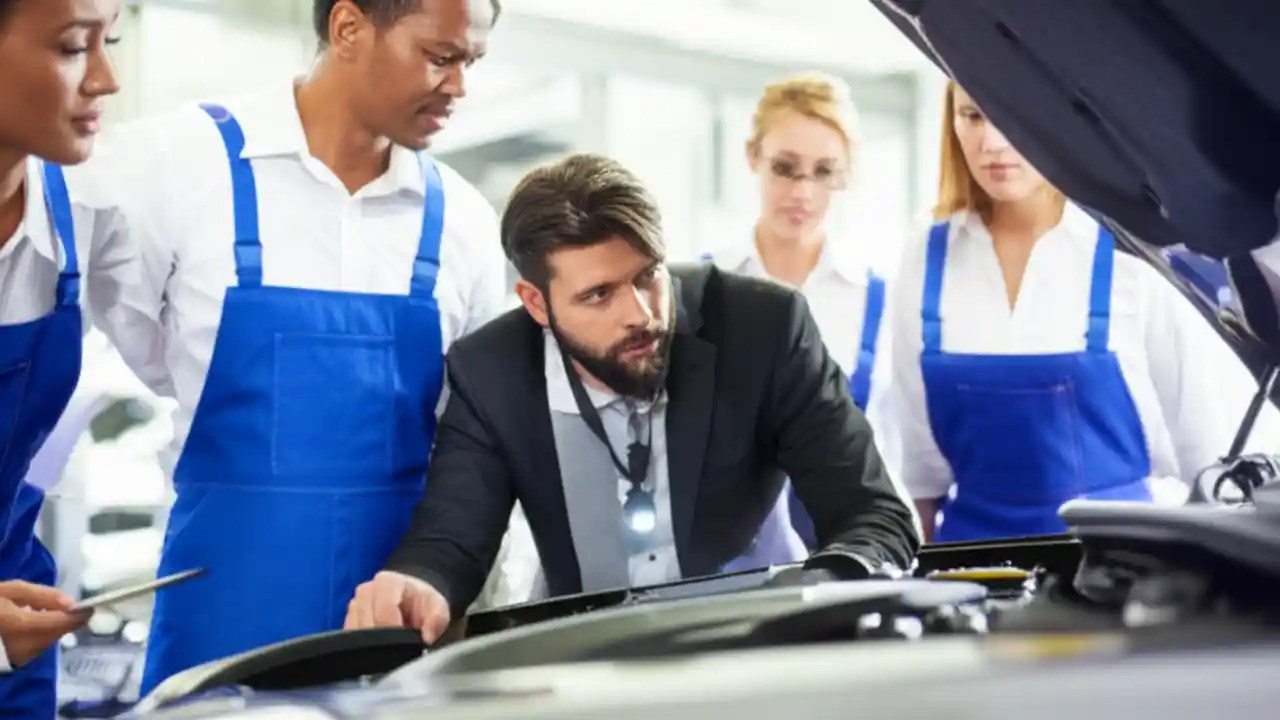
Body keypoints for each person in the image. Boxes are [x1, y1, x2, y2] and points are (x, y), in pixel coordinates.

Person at [69, 0, 514, 692]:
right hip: (219, 625)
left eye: (472, 62)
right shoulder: (173, 167)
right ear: (348, 29)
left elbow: (477, 444)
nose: (460, 87)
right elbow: (139, 345)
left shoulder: (463, 221)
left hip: (395, 633)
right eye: (440, 56)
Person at [342, 153, 919, 640]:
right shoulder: (490, 372)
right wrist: (418, 583)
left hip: (757, 651)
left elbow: (874, 513)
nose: (640, 314)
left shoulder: (764, 327)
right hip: (587, 662)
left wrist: (820, 594)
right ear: (536, 303)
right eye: (598, 295)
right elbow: (453, 538)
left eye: (647, 275)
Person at [889, 82, 1277, 543]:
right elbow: (920, 467)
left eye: (1007, 112)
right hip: (971, 563)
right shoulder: (926, 257)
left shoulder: (1135, 257)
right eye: (972, 116)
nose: (990, 142)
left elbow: (1210, 457)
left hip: (1115, 566)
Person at [703, 73, 907, 564]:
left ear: (847, 174)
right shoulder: (703, 288)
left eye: (824, 172)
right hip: (732, 561)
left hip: (847, 554)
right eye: (785, 168)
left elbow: (895, 454)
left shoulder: (879, 297)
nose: (803, 193)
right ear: (752, 156)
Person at [0, 0, 124, 711]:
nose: (106, 78)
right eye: (77, 47)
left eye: (110, 41)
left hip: (20, 633)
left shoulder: (87, 213)